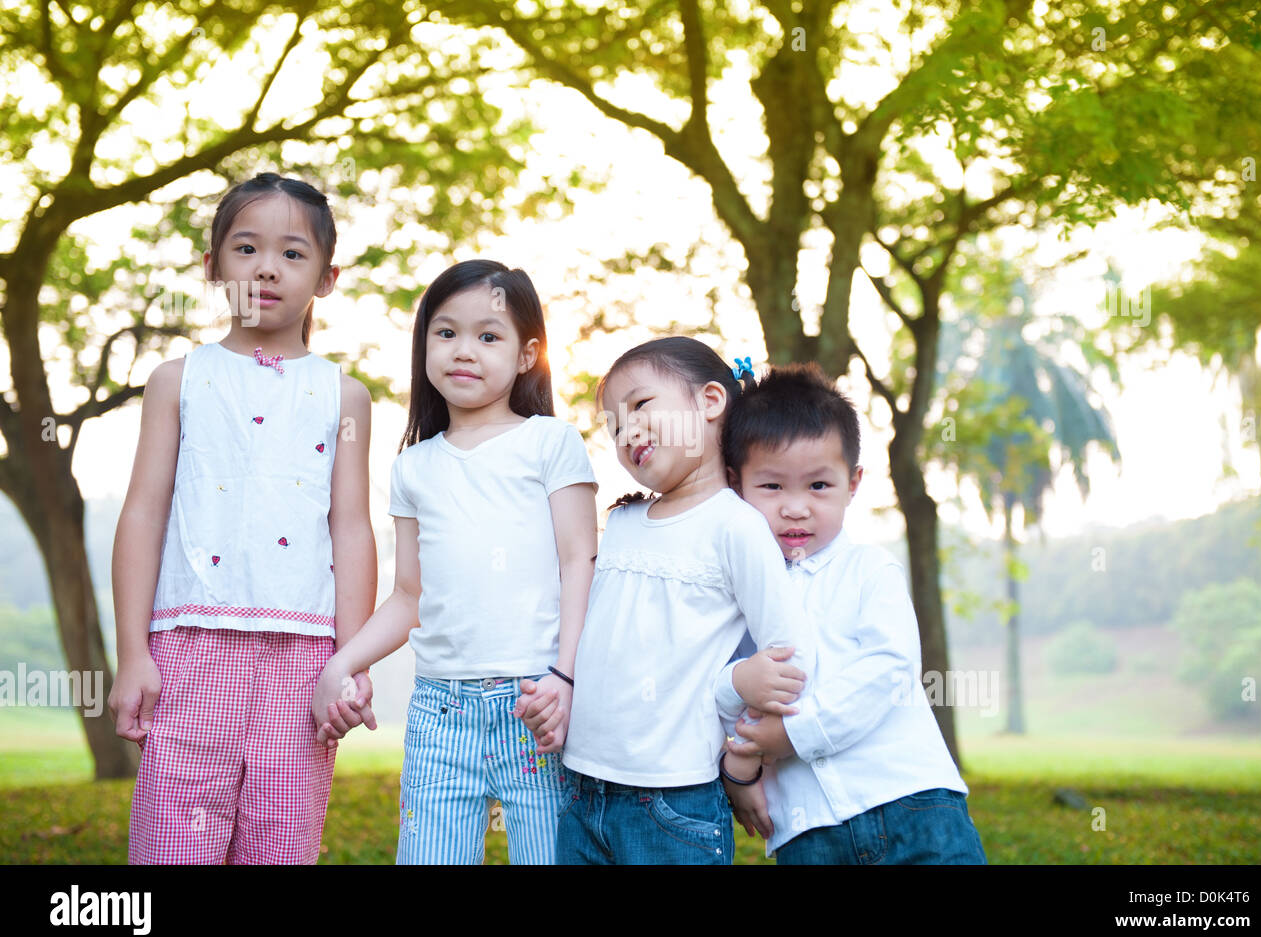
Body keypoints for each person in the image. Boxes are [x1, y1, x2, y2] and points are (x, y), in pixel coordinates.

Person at [109, 172, 378, 864]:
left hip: (303, 656)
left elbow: (351, 527)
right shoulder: (180, 379)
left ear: (326, 276)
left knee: (281, 841)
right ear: (212, 266)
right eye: (245, 248)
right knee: (174, 840)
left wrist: (351, 659)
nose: (266, 267)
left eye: (293, 254)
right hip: (191, 644)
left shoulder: (343, 396)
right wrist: (133, 652)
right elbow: (144, 511)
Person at [311, 259, 597, 865]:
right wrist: (343, 662)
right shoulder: (413, 466)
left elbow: (581, 563)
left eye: (488, 336)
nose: (464, 350)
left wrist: (566, 679)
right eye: (446, 333)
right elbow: (409, 596)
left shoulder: (550, 443)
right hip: (440, 712)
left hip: (535, 704)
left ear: (527, 355)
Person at [554, 338, 813, 865]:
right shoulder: (622, 523)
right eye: (614, 426)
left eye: (641, 406)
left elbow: (790, 655)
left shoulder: (735, 526)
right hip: (582, 790)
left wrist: (741, 737)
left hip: (674, 802)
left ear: (711, 401)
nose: (627, 432)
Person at [715, 363, 987, 864]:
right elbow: (712, 689)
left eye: (819, 486)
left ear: (853, 482)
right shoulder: (732, 598)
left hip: (911, 802)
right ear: (735, 485)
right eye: (772, 487)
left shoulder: (869, 570)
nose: (796, 508)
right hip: (806, 827)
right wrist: (738, 746)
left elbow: (886, 668)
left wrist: (791, 735)